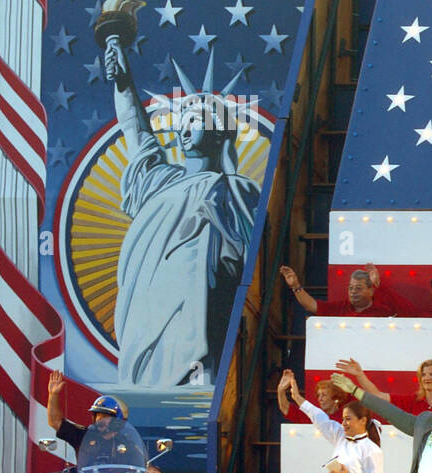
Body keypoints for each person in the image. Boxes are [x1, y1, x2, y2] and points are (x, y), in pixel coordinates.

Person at [102, 37, 260, 386]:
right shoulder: (160, 181)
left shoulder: (238, 188)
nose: (184, 129)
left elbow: (245, 257)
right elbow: (136, 130)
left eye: (196, 120)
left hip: (203, 312)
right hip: (148, 308)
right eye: (182, 121)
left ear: (220, 130)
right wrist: (124, 83)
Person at [45, 372, 160, 473]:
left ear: (117, 421)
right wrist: (53, 395)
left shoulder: (126, 443)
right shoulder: (83, 435)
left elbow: (144, 465)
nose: (99, 420)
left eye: (104, 417)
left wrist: (150, 470)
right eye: (98, 416)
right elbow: (55, 422)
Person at [281, 263, 406, 318]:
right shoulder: (341, 308)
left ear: (371, 291)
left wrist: (379, 285)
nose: (353, 292)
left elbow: (403, 310)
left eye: (358, 288)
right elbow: (311, 306)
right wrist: (295, 285)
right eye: (350, 288)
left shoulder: (383, 309)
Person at [336, 357, 432, 416]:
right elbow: (377, 395)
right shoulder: (413, 401)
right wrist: (360, 375)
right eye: (423, 375)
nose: (427, 378)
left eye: (431, 374)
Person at [277, 371, 349, 423]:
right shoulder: (313, 415)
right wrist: (280, 390)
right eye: (318, 395)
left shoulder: (347, 417)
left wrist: (296, 396)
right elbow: (286, 408)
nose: (320, 399)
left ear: (336, 398)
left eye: (324, 395)